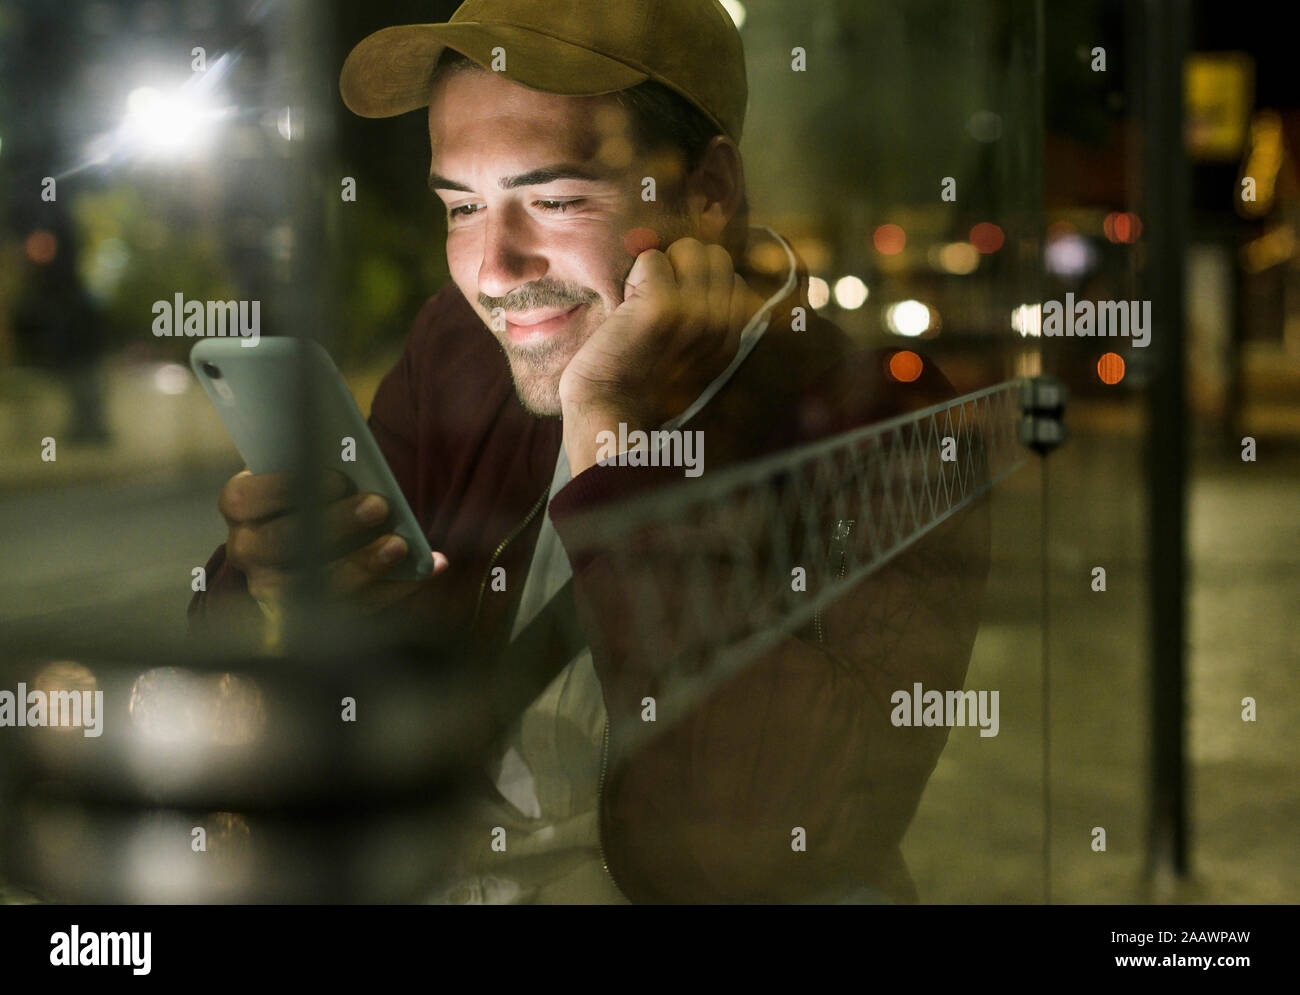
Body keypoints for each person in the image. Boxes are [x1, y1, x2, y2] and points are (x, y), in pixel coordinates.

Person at [190, 0, 990, 903]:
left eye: (557, 198)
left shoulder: (889, 423)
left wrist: (614, 441)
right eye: (462, 205)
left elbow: (779, 839)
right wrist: (269, 588)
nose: (494, 268)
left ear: (709, 194)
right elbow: (256, 686)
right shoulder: (458, 349)